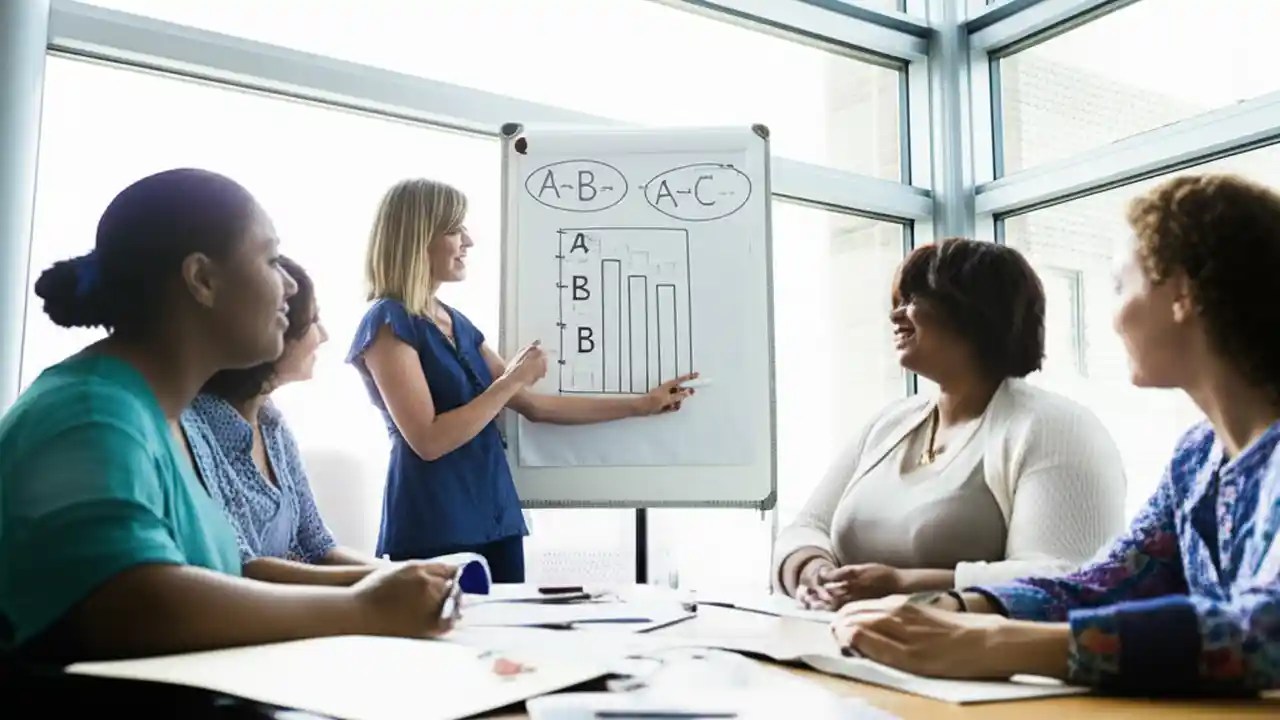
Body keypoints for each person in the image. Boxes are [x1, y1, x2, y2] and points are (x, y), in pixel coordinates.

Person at [831, 173, 1280, 694]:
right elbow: (1109, 582)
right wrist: (954, 607)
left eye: (1120, 286)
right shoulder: (1198, 457)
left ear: (1181, 292)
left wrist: (994, 643)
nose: (1114, 318)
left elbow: (1266, 634)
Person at [0, 169, 456, 663]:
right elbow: (133, 604)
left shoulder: (165, 421)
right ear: (202, 279)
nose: (288, 285)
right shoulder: (90, 414)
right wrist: (361, 607)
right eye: (270, 259)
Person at [347, 178, 697, 582]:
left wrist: (641, 404)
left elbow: (536, 406)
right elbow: (428, 439)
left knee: (509, 636)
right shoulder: (389, 322)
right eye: (455, 229)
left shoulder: (457, 324)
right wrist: (512, 380)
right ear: (419, 237)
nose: (468, 241)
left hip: (496, 515)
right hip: (434, 522)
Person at [774, 238, 1127, 609]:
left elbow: (1067, 576)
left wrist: (902, 585)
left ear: (972, 310)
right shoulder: (889, 424)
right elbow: (805, 527)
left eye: (912, 300)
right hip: (843, 648)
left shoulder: (1056, 427)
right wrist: (813, 571)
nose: (895, 316)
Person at [180, 256, 380, 587]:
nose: (325, 335)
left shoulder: (272, 423)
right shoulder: (195, 428)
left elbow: (318, 546)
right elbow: (242, 566)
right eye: (313, 320)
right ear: (277, 329)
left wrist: (399, 574)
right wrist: (382, 586)